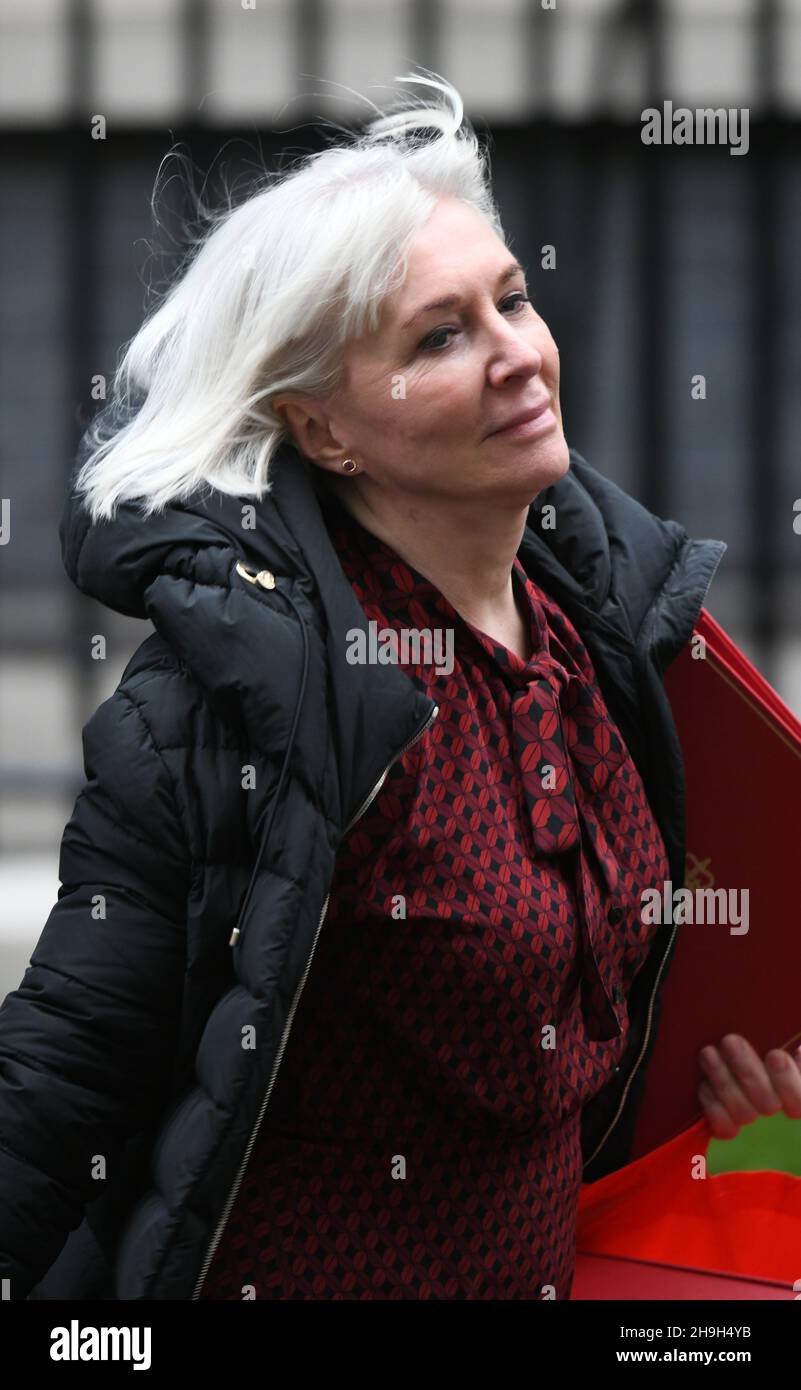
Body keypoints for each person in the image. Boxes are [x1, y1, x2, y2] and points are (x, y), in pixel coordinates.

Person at [1, 72, 799, 1303]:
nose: (518, 356)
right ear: (324, 430)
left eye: (512, 301)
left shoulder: (610, 642)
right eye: (440, 336)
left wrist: (738, 1119)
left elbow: (623, 1021)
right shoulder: (229, 704)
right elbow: (62, 1082)